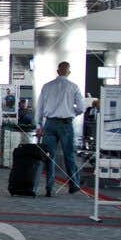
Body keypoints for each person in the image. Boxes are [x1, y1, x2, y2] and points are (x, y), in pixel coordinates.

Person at [36, 60, 86, 196]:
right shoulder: (73, 87)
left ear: (57, 71)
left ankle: (49, 188)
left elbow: (39, 107)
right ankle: (73, 184)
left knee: (49, 156)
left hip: (49, 124)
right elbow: (82, 108)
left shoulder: (47, 86)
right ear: (69, 72)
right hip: (65, 124)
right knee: (69, 155)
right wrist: (71, 112)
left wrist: (38, 125)